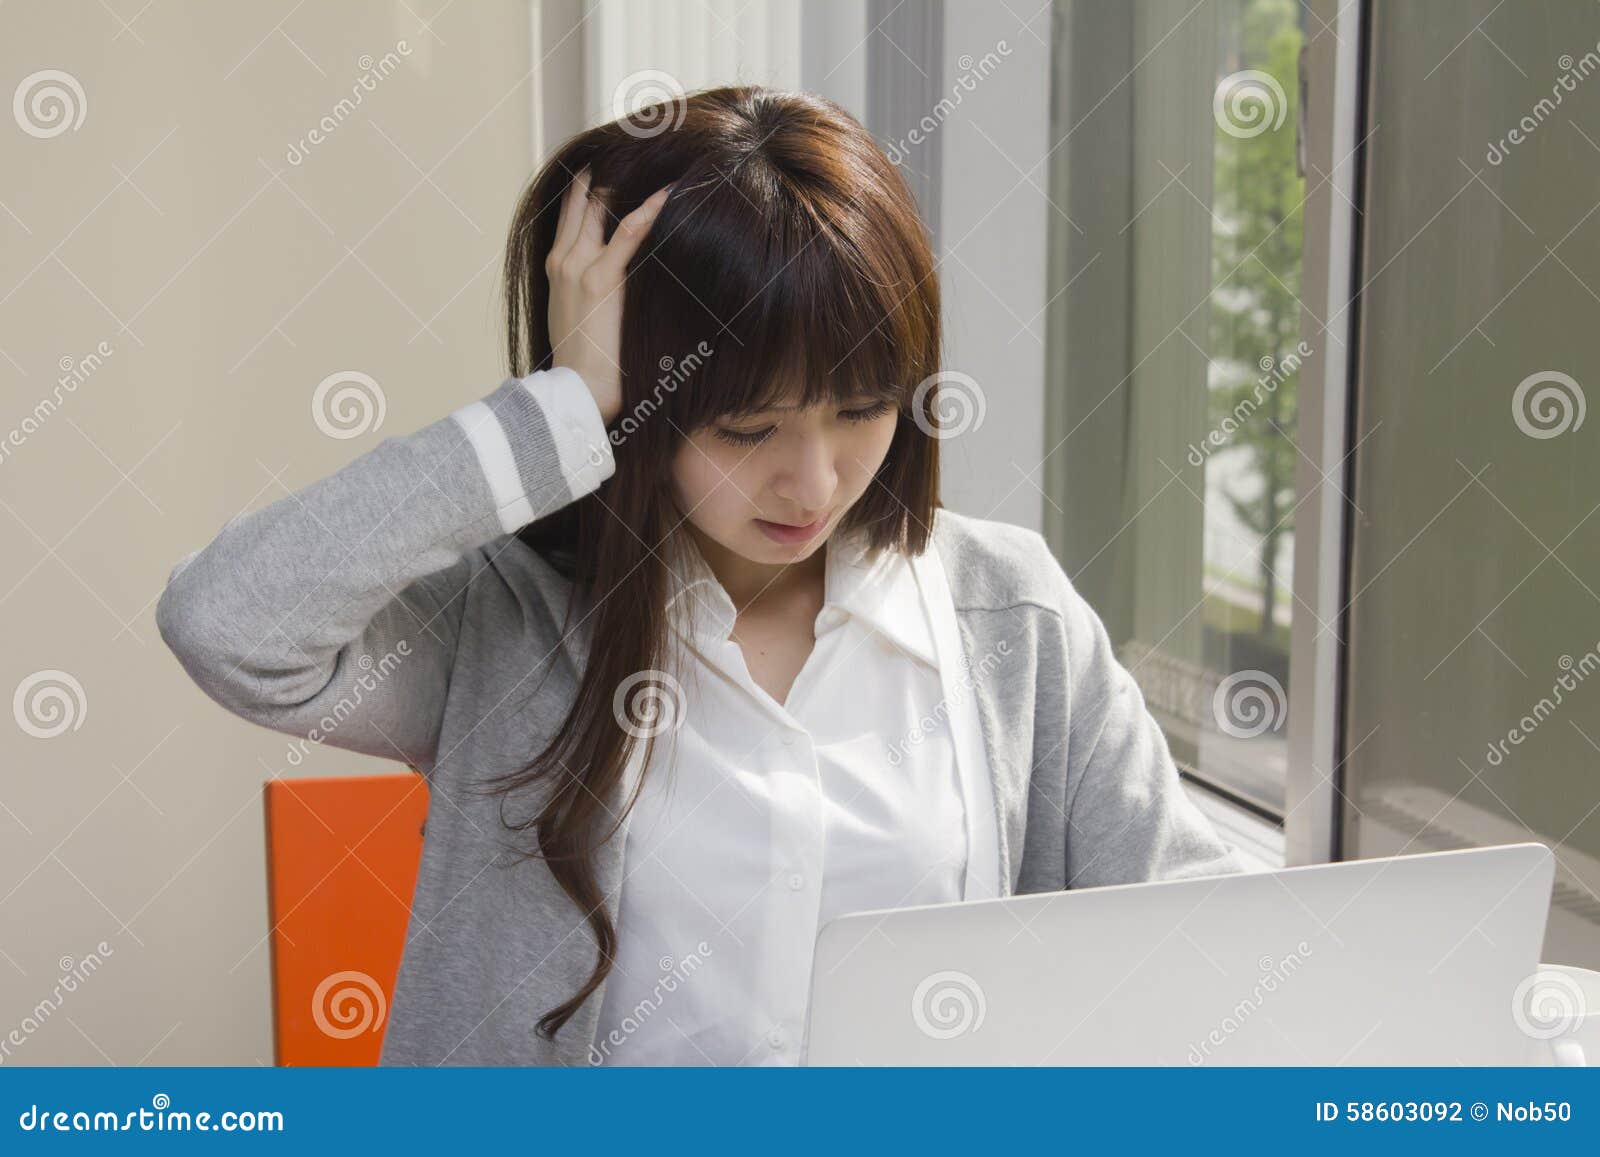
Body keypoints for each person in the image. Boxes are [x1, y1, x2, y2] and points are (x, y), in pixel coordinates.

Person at [156, 84, 1246, 1067]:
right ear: (646, 399)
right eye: (745, 426)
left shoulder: (1009, 612)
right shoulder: (509, 622)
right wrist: (560, 409)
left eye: (861, 411)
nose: (811, 482)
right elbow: (228, 623)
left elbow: (1188, 924)